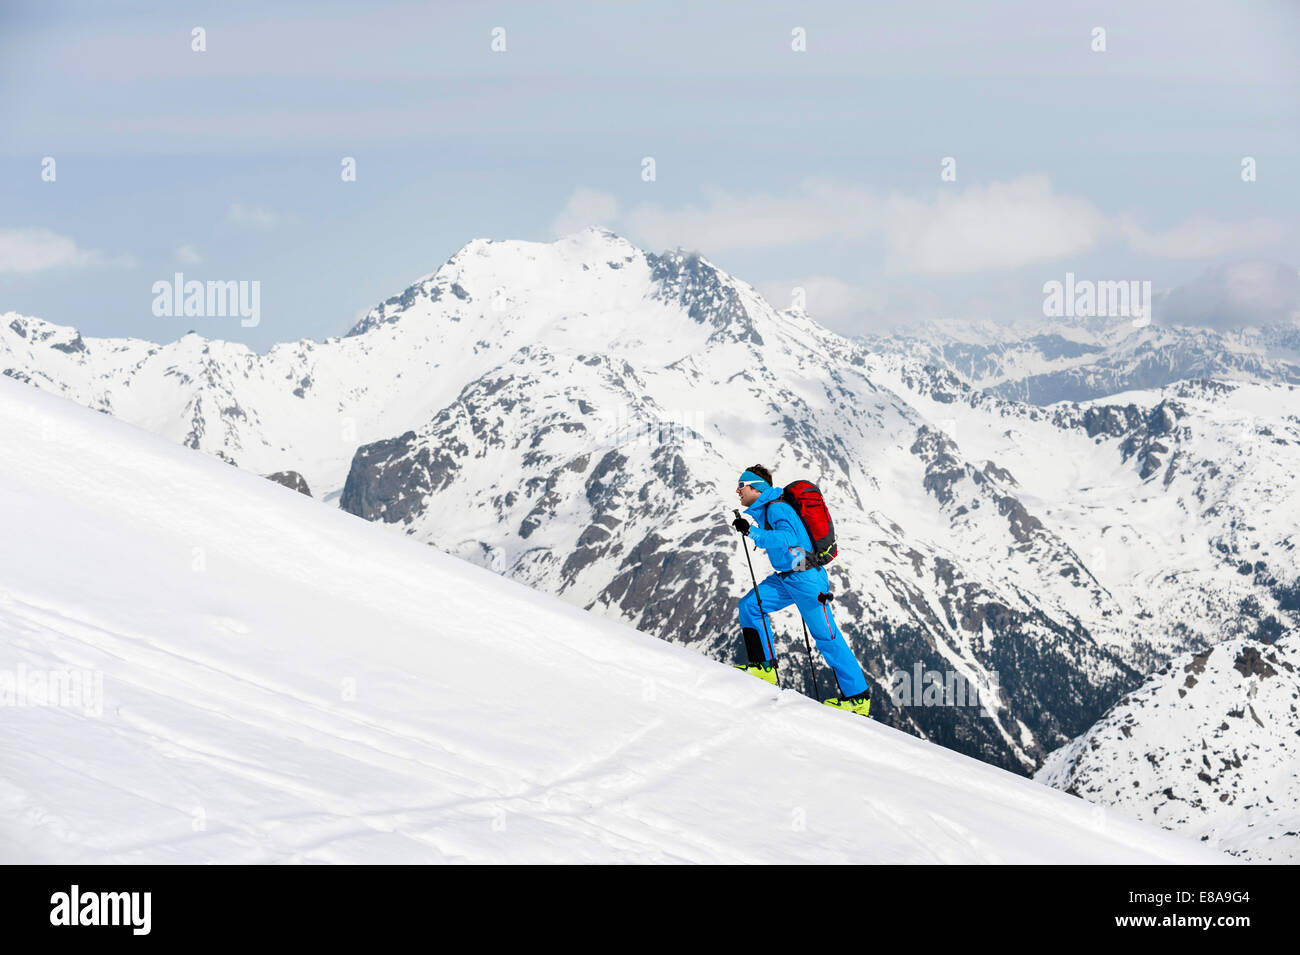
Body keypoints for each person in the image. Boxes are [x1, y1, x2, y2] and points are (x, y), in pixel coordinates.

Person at [731, 465, 872, 717]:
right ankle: (764, 667)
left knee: (826, 636)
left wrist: (752, 532)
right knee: (750, 606)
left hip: (806, 580)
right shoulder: (768, 509)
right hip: (786, 579)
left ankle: (858, 697)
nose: (738, 490)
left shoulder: (777, 508)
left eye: (741, 486)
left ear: (756, 487)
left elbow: (788, 537)